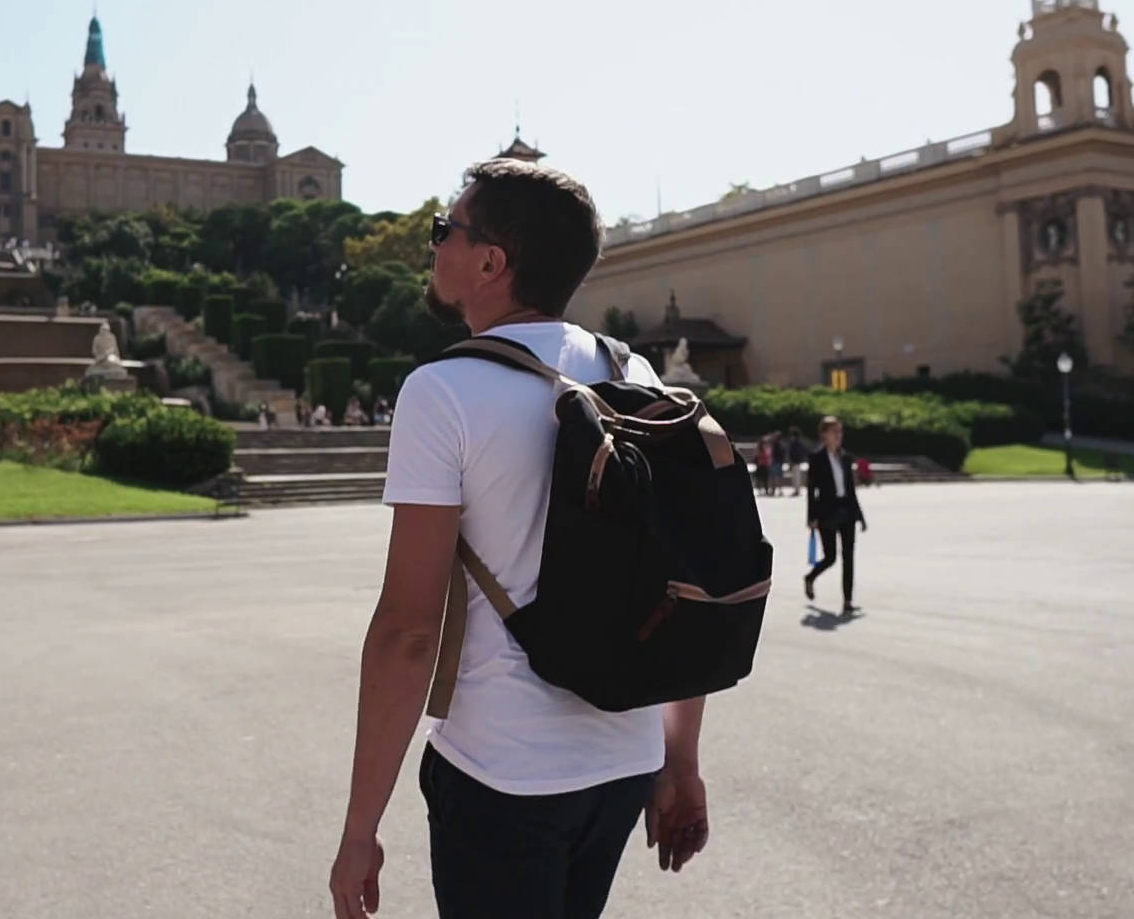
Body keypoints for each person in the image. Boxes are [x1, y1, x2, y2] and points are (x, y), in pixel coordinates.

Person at [330, 159, 711, 919]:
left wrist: (360, 828)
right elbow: (682, 580)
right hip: (623, 762)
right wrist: (681, 760)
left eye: (445, 230)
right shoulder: (631, 370)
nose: (434, 245)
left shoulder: (443, 391)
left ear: (489, 262)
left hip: (503, 772)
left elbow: (409, 630)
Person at [804, 415, 868, 617]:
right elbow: (811, 489)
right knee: (830, 557)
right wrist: (811, 517)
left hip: (846, 510)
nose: (839, 435)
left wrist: (860, 515)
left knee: (849, 557)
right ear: (824, 435)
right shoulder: (817, 459)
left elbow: (851, 489)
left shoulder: (845, 457)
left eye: (840, 431)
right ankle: (810, 577)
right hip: (826, 512)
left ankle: (848, 601)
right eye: (834, 431)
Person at [786, 426, 810, 497]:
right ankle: (797, 489)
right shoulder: (799, 442)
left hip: (795, 461)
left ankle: (797, 490)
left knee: (796, 476)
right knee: (798, 476)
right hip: (798, 461)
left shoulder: (794, 443)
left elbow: (791, 452)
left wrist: (790, 460)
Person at [754, 433, 775, 497]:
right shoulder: (762, 449)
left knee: (765, 479)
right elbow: (757, 457)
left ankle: (765, 490)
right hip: (762, 465)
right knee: (761, 478)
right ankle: (762, 490)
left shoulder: (767, 449)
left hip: (764, 465)